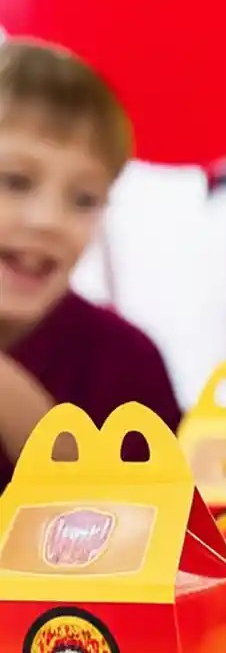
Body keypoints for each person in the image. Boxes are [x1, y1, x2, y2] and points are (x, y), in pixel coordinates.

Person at [0, 41, 182, 493]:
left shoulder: (124, 362)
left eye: (84, 200)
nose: (47, 220)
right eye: (15, 181)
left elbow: (146, 531)